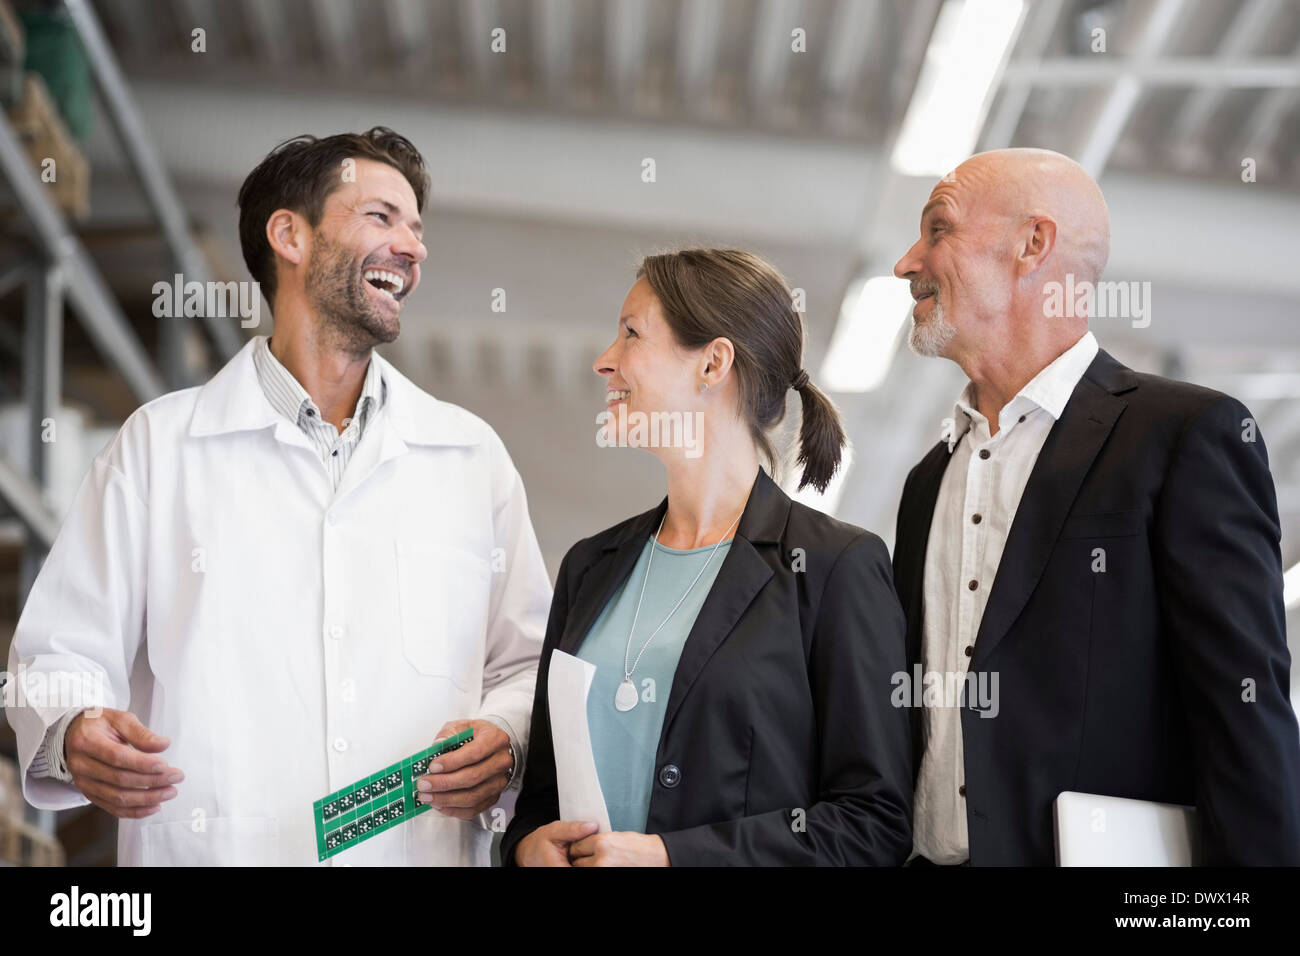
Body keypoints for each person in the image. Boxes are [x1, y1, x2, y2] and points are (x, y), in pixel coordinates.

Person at [6, 128, 552, 865]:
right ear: (290, 235)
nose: (414, 249)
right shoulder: (158, 448)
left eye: (418, 229)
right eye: (382, 218)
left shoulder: (469, 458)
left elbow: (526, 664)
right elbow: (58, 655)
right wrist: (72, 732)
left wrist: (509, 738)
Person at [891, 146, 1300, 866]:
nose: (907, 262)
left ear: (1032, 244)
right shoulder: (930, 480)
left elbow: (1244, 714)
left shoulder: (1182, 437)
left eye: (937, 229)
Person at [501, 248, 912, 866]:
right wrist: (527, 845)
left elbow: (872, 823)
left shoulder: (834, 567)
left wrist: (670, 858)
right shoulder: (591, 568)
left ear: (714, 363)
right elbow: (539, 800)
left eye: (631, 334)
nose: (604, 361)